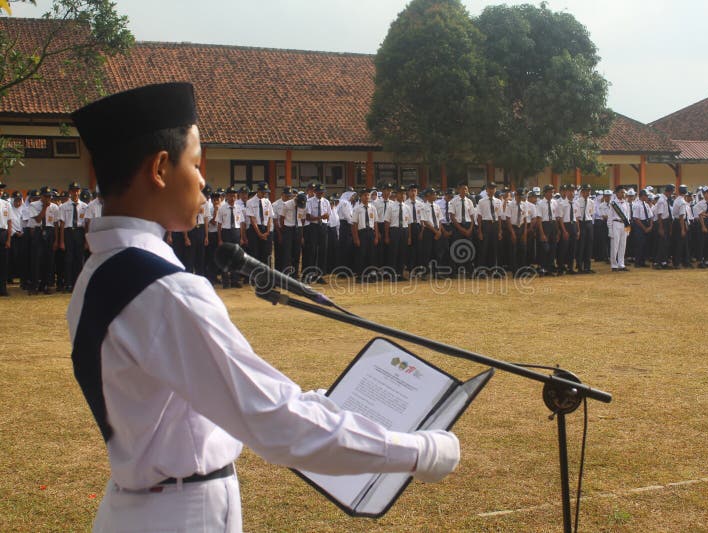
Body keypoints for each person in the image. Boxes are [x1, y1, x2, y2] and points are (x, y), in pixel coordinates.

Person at [67, 83, 459, 532]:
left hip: (136, 505)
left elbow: (196, 400)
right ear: (160, 168)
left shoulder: (102, 270)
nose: (202, 180)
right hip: (181, 513)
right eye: (196, 163)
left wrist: (313, 404)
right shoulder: (166, 290)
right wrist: (421, 453)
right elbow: (274, 424)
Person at [57, 181, 88, 292]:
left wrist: (86, 241)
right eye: (73, 190)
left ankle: (78, 284)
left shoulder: (85, 206)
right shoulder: (64, 206)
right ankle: (68, 284)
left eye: (77, 190)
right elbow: (62, 224)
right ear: (70, 192)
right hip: (68, 232)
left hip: (80, 232)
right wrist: (61, 241)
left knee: (79, 259)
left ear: (79, 191)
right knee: (68, 259)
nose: (75, 193)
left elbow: (86, 224)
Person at [608, 185, 631, 272]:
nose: (623, 194)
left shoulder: (626, 203)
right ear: (617, 193)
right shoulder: (613, 203)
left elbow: (628, 217)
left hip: (624, 225)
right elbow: (610, 217)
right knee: (615, 245)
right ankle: (614, 265)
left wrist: (628, 229)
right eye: (622, 192)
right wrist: (610, 229)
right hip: (616, 224)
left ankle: (621, 264)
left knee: (623, 245)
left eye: (624, 192)